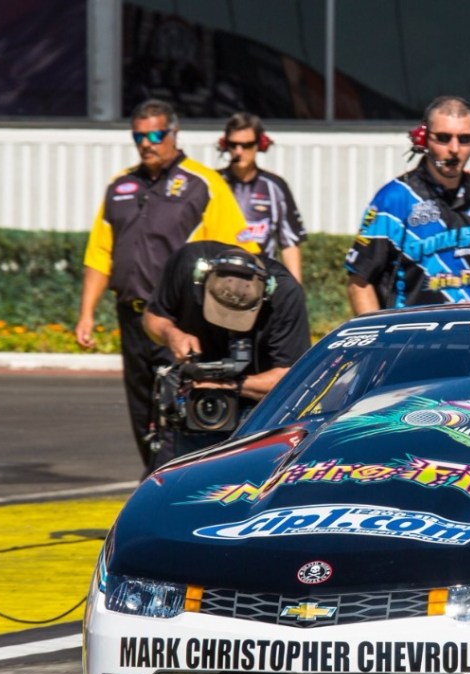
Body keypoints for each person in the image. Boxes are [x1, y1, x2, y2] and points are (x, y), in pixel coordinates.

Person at [74, 99, 254, 472]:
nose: (147, 143)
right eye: (139, 136)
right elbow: (99, 253)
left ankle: (178, 481)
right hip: (134, 318)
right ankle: (152, 479)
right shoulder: (120, 186)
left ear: (174, 133)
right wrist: (86, 314)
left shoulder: (204, 184)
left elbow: (242, 252)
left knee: (179, 407)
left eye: (156, 134)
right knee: (143, 410)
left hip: (184, 319)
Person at [345, 95, 470, 314]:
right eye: (443, 138)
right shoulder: (394, 200)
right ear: (422, 140)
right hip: (408, 340)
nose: (454, 148)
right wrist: (376, 343)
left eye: (465, 139)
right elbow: (359, 282)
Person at [142, 242, 310, 464]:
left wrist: (229, 387)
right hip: (198, 407)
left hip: (260, 412)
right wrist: (171, 334)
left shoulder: (285, 294)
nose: (228, 326)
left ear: (265, 294)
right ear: (202, 281)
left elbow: (292, 379)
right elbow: (153, 316)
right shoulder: (187, 263)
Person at [218, 112, 306, 282]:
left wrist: (296, 291)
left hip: (261, 282)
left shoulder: (275, 187)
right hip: (219, 279)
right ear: (225, 145)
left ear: (260, 144)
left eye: (247, 145)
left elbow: (289, 244)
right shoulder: (213, 184)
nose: (238, 151)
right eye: (233, 145)